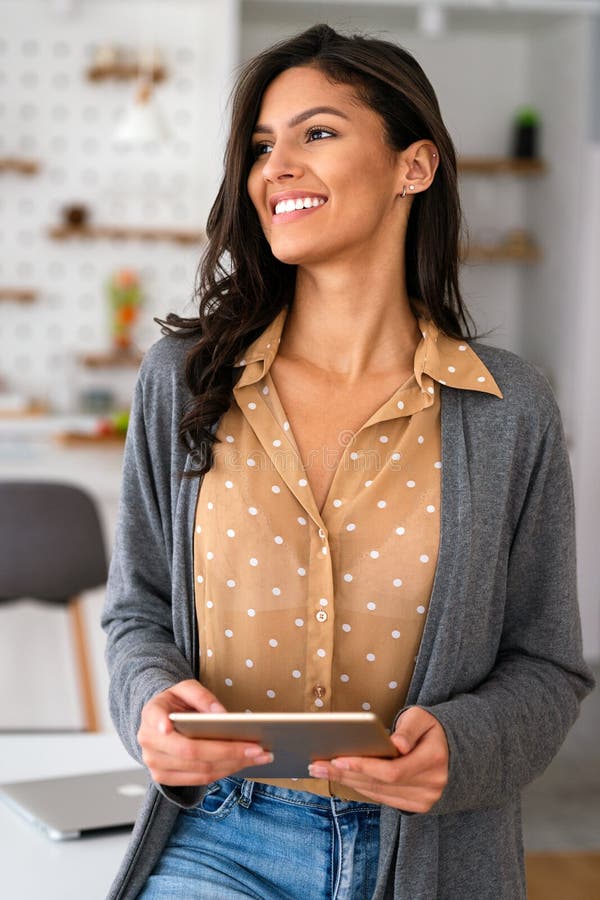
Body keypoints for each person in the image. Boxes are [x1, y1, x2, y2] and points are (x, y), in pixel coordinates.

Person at [102, 23, 594, 900]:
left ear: (415, 166)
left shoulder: (509, 409)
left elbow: (546, 664)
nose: (275, 166)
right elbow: (137, 610)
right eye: (261, 146)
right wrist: (150, 702)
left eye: (317, 133)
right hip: (223, 833)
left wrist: (466, 746)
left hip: (434, 854)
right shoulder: (183, 382)